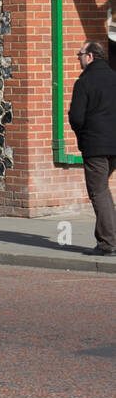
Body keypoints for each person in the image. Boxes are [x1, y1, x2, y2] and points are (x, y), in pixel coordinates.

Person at [68, 40, 116, 256]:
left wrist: (82, 135)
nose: (78, 58)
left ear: (90, 56)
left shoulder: (84, 82)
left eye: (80, 54)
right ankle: (105, 238)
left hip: (96, 145)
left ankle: (109, 243)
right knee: (103, 190)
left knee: (98, 192)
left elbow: (76, 117)